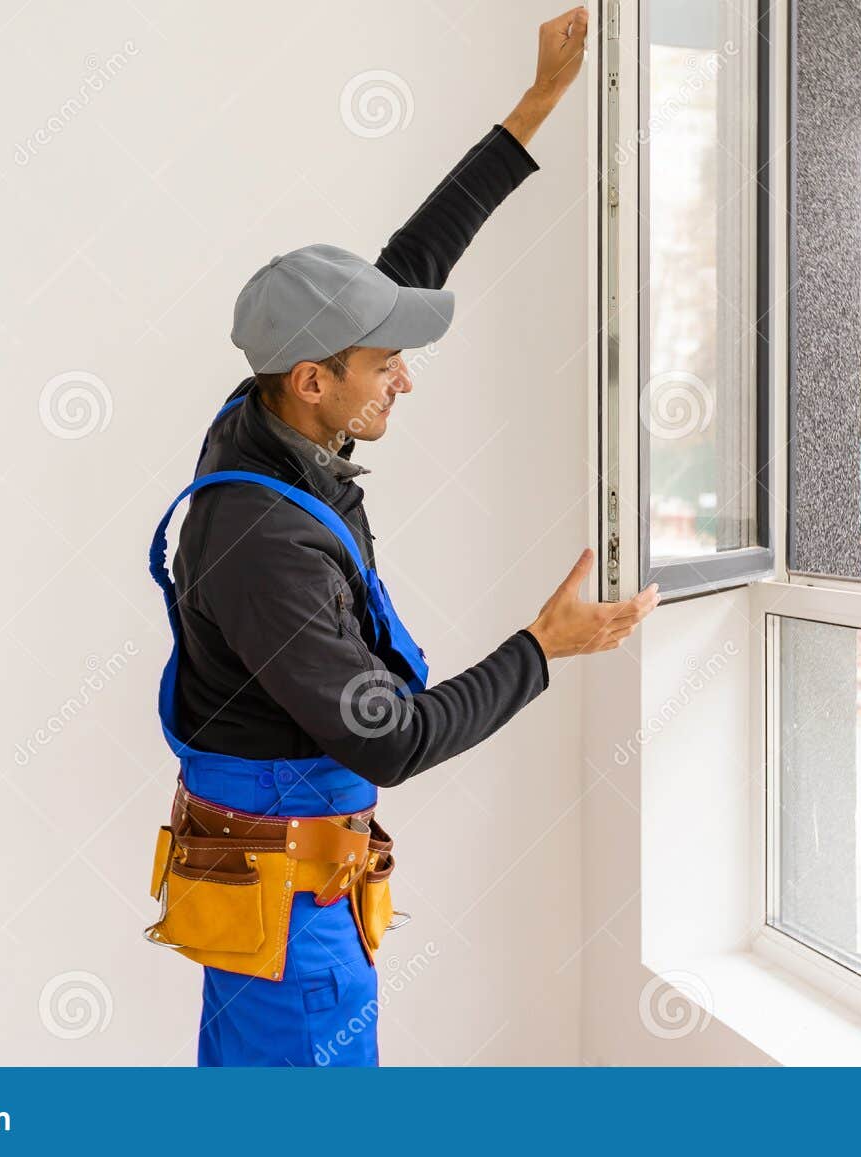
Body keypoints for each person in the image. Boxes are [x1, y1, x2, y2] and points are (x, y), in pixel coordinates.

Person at [142, 5, 660, 1067]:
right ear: (314, 376)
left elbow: (413, 259)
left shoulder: (272, 423)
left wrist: (539, 101)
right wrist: (543, 650)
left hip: (296, 886)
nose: (405, 377)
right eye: (386, 364)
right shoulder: (261, 544)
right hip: (286, 915)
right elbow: (389, 736)